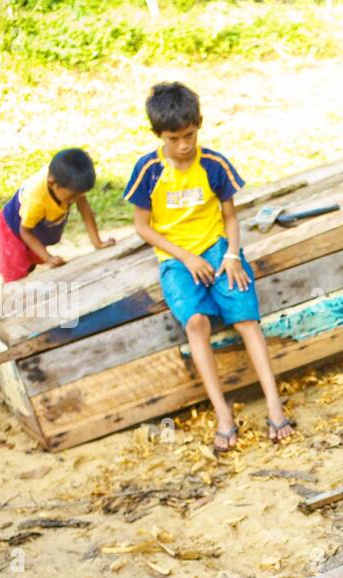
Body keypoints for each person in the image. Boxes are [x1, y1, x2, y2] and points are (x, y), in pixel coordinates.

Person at [124, 81, 294, 451]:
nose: (183, 145)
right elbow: (142, 226)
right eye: (174, 138)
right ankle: (223, 413)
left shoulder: (214, 164)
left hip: (218, 249)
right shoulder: (148, 169)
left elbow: (230, 218)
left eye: (189, 134)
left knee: (246, 319)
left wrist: (233, 254)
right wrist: (185, 257)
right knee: (197, 322)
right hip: (176, 257)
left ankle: (274, 405)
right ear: (159, 135)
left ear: (199, 124)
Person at [0, 148, 114, 283]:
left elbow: (84, 208)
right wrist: (48, 258)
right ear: (52, 183)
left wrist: (98, 242)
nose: (77, 199)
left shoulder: (68, 184)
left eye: (80, 194)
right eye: (72, 196)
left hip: (34, 226)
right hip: (14, 230)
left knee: (30, 262)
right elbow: (25, 232)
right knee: (16, 274)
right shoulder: (36, 200)